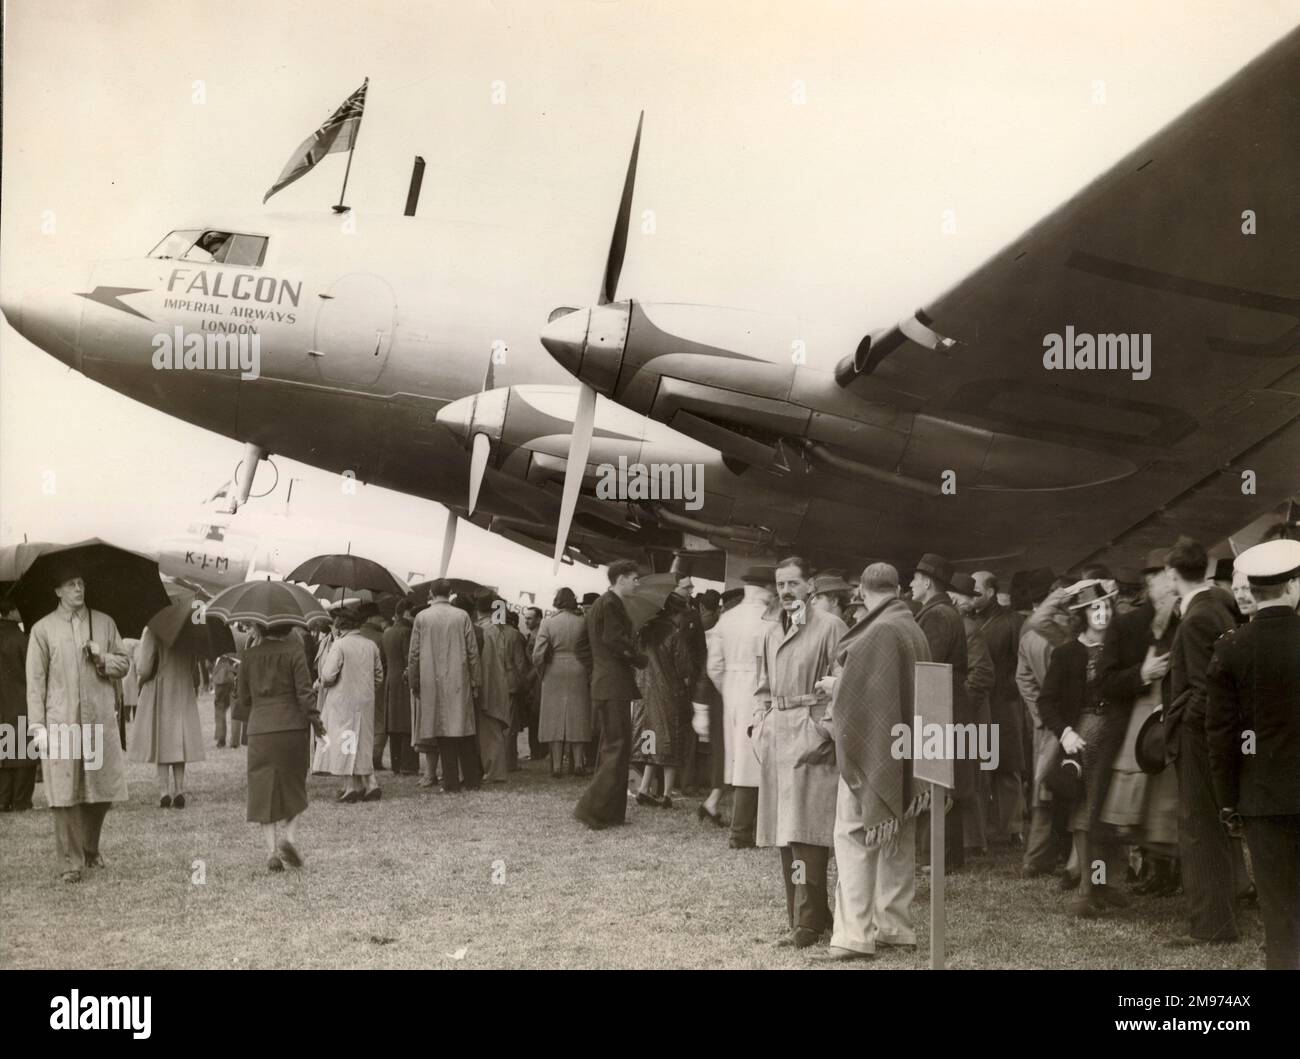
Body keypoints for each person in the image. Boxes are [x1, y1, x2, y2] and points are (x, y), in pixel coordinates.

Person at [821, 564, 931, 961]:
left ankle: (853, 934)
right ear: (898, 589)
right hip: (908, 751)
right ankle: (895, 927)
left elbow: (860, 700)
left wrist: (835, 687)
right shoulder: (912, 628)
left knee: (854, 835)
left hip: (874, 753)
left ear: (863, 593)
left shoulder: (878, 632)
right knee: (898, 839)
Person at [1207, 538, 1300, 969]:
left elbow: (1222, 736)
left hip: (1261, 798)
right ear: (1294, 586)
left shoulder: (1230, 648)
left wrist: (1229, 799)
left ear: (1254, 591)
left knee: (1278, 909)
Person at [753, 556, 846, 948]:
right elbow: (762, 686)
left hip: (809, 735)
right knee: (785, 834)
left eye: (793, 583)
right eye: (781, 584)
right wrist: (759, 726)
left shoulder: (830, 627)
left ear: (811, 585)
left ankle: (807, 923)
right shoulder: (772, 630)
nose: (786, 591)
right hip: (778, 736)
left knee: (807, 832)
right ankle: (806, 914)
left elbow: (845, 683)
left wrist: (822, 730)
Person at [1160, 536, 1242, 947]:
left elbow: (1202, 688)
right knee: (1214, 828)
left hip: (1199, 740)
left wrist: (1178, 724)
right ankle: (1221, 917)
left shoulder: (1196, 618)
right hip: (1216, 736)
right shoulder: (1219, 606)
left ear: (1173, 575)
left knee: (1199, 829)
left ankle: (1211, 926)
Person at [25, 565, 129, 882]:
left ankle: (89, 848)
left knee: (102, 787)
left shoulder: (104, 622)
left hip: (98, 718)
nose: (78, 589)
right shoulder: (42, 630)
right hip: (60, 721)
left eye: (81, 583)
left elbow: (124, 664)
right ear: (57, 591)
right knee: (62, 790)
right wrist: (37, 726)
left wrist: (102, 658)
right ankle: (70, 862)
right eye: (71, 584)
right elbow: (35, 681)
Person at [1037, 580, 1131, 916]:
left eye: (1106, 607)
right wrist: (1065, 734)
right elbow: (1046, 701)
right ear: (1082, 614)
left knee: (1110, 813)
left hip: (1120, 734)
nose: (1102, 613)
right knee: (1086, 812)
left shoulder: (1121, 647)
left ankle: (1106, 883)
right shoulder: (1067, 652)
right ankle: (1088, 888)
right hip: (1086, 737)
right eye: (1095, 608)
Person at [1097, 550, 1179, 896]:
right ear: (1150, 582)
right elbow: (1104, 680)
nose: (1171, 585)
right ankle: (1133, 874)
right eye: (1164, 578)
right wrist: (1142, 675)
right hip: (1135, 731)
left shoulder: (1191, 617)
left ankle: (1170, 871)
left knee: (1169, 805)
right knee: (1138, 809)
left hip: (1176, 727)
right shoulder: (1127, 624)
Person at [234, 622, 325, 872]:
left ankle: (271, 851)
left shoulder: (248, 655)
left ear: (259, 627)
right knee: (294, 785)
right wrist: (318, 724)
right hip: (292, 727)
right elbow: (305, 695)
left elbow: (243, 698)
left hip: (261, 728)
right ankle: (290, 839)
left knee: (263, 789)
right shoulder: (295, 652)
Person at [574, 560, 645, 830]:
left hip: (605, 684)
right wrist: (639, 658)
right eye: (634, 578)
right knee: (617, 747)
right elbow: (614, 641)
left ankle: (610, 813)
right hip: (614, 685)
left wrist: (598, 670)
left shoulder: (598, 606)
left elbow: (582, 645)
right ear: (621, 579)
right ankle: (591, 811)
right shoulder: (612, 604)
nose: (637, 583)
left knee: (613, 747)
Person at [910, 553, 971, 871]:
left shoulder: (936, 616)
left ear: (928, 582)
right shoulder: (945, 612)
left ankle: (940, 857)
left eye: (915, 579)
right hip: (949, 703)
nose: (910, 584)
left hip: (938, 704)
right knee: (947, 780)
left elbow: (927, 664)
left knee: (938, 780)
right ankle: (949, 856)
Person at [707, 567, 773, 848]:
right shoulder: (770, 620)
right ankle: (745, 830)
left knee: (739, 760)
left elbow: (714, 667)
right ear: (766, 589)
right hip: (760, 689)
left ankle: (743, 829)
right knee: (757, 761)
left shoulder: (726, 619)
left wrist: (729, 689)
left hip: (731, 691)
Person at [1017, 568, 1074, 878]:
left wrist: (1040, 716)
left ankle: (1036, 858)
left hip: (1045, 724)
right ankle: (1065, 857)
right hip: (1071, 720)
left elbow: (1023, 679)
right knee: (1072, 786)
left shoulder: (1029, 634)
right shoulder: (1070, 633)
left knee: (1044, 790)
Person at [408, 580, 481, 793]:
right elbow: (472, 653)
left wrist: (414, 681)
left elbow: (414, 654)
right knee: (464, 727)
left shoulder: (422, 618)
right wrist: (476, 681)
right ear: (451, 593)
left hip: (431, 679)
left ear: (431, 593)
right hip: (459, 679)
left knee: (441, 728)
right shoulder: (462, 616)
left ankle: (450, 781)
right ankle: (472, 779)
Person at [970, 571, 1026, 847]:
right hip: (981, 704)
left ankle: (1012, 827)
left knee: (1007, 766)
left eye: (977, 591)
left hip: (1004, 704)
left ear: (991, 592)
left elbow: (1021, 662)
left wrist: (1008, 689)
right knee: (981, 765)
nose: (972, 596)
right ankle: (985, 829)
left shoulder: (1013, 621)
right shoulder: (969, 620)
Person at [129, 625, 206, 808]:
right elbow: (193, 663)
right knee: (180, 739)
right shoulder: (188, 630)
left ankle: (164, 791)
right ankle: (179, 789)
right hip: (183, 685)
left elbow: (144, 667)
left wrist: (140, 680)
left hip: (160, 686)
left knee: (161, 740)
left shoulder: (153, 629)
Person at [312, 609, 384, 802]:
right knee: (362, 741)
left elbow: (328, 676)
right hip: (365, 700)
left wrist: (319, 682)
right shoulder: (371, 645)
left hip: (342, 700)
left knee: (345, 740)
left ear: (341, 627)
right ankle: (370, 783)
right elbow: (379, 676)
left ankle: (350, 786)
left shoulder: (340, 645)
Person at [634, 593, 695, 808]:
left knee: (650, 739)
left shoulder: (645, 632)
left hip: (644, 695)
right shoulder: (675, 635)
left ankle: (643, 788)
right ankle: (668, 794)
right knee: (670, 741)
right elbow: (684, 668)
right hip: (669, 695)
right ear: (675, 613)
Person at [950, 573, 995, 856]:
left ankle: (975, 840)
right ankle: (971, 839)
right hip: (969, 710)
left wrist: (959, 704)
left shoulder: (968, 629)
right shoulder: (964, 626)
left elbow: (982, 673)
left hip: (971, 713)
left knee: (972, 776)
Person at [534, 587, 593, 777]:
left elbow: (537, 655)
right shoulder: (583, 622)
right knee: (579, 716)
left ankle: (557, 765)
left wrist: (542, 671)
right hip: (579, 668)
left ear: (556, 601)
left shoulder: (547, 623)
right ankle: (578, 764)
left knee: (554, 717)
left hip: (554, 669)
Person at [474, 593, 524, 783]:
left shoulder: (484, 630)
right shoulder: (498, 630)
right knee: (494, 728)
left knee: (489, 729)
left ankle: (495, 772)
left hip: (487, 683)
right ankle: (495, 770)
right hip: (498, 682)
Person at [0, 597, 35, 812]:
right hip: (21, 701)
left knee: (3, 752)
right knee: (24, 751)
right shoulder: (21, 638)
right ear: (11, 611)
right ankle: (22, 800)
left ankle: (3, 799)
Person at [381, 600, 419, 776]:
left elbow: (383, 660)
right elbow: (410, 658)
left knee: (393, 723)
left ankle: (396, 764)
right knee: (406, 722)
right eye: (412, 613)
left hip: (390, 680)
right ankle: (408, 764)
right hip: (404, 680)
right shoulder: (407, 632)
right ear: (406, 613)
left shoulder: (387, 632)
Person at [355, 604, 388, 772]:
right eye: (377, 616)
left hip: (354, 686)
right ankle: (375, 757)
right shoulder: (381, 637)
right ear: (370, 618)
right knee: (379, 721)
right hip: (377, 685)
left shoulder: (352, 637)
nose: (380, 619)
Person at [211, 652, 240, 748]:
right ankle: (235, 741)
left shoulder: (217, 642)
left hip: (220, 677)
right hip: (235, 675)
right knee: (235, 710)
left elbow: (208, 663)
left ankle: (221, 739)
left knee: (219, 708)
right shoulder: (239, 640)